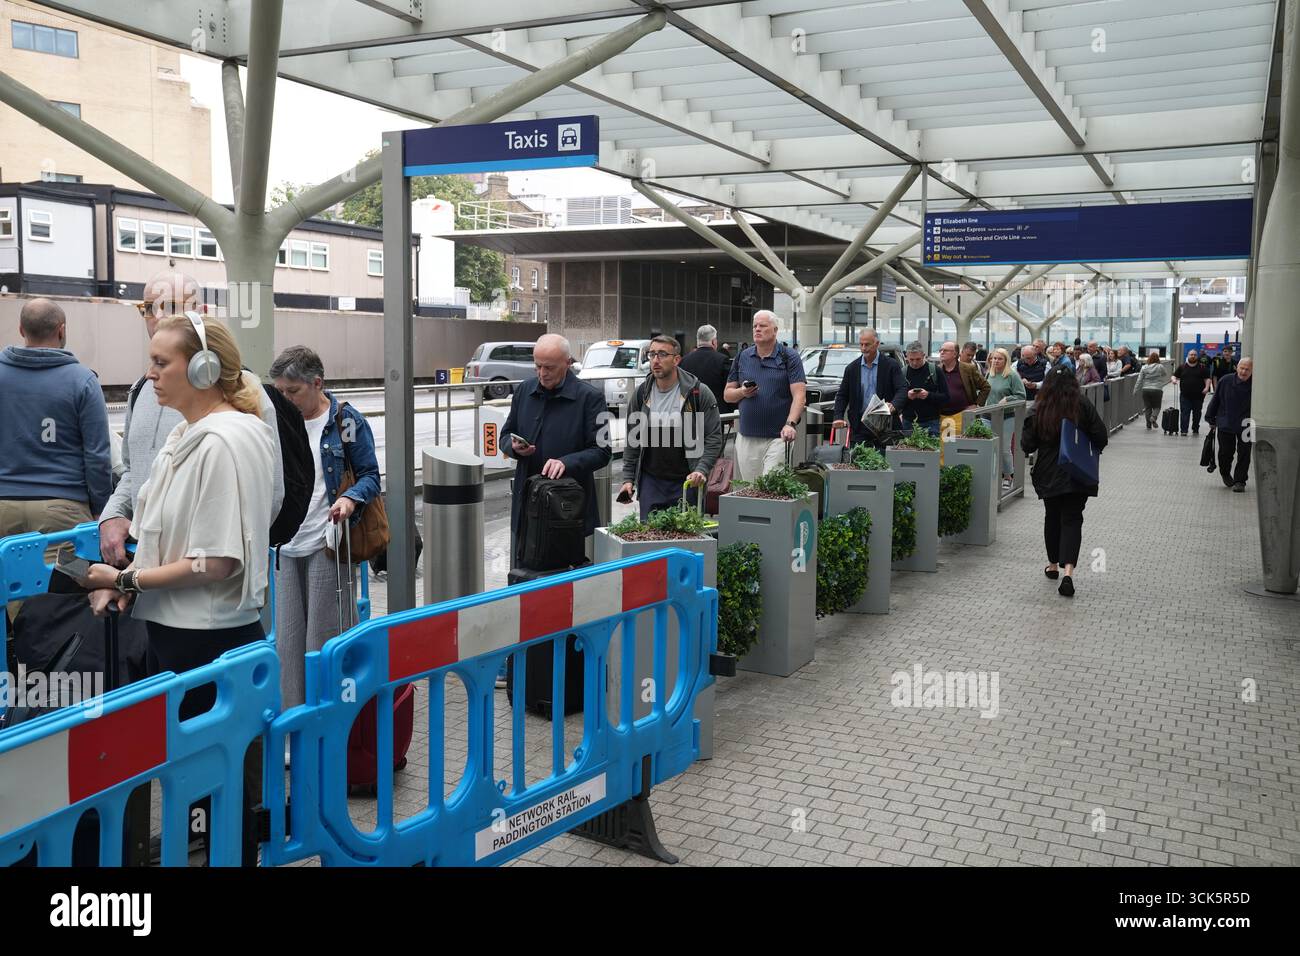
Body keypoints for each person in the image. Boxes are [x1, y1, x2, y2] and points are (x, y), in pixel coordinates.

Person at [81, 313, 276, 865]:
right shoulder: (195, 434)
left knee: (217, 789)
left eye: (161, 362)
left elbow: (214, 562)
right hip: (190, 634)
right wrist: (133, 585)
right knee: (212, 784)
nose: (151, 374)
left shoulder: (219, 441)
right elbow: (174, 538)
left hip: (204, 641)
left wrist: (124, 578)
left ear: (204, 367)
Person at [99, 271, 283, 569]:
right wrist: (113, 514)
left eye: (170, 305)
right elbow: (133, 472)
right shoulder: (142, 390)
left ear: (203, 313)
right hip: (145, 567)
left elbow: (269, 494)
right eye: (149, 307)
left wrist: (198, 562)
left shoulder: (244, 389)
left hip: (211, 582)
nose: (159, 316)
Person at [269, 346, 381, 710]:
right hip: (286, 544)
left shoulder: (344, 422)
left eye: (293, 391)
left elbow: (369, 476)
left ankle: (326, 720)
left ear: (317, 383)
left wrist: (349, 500)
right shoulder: (276, 421)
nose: (285, 399)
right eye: (280, 392)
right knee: (286, 642)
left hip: (327, 541)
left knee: (323, 637)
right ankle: (292, 727)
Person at [0, 298, 112, 560]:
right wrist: (102, 509)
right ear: (61, 329)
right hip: (63, 512)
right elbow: (97, 455)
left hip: (3, 506)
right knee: (64, 593)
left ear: (21, 330)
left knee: (8, 595)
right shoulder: (82, 380)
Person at [502, 333, 611, 557]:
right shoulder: (524, 391)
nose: (542, 373)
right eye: (537, 366)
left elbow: (602, 451)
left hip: (568, 513)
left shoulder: (590, 398)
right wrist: (514, 447)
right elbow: (505, 435)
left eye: (549, 367)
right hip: (527, 510)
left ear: (567, 363)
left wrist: (567, 462)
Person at [1020, 367, 1108, 598]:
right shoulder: (1081, 404)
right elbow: (1101, 436)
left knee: (1052, 517)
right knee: (1072, 519)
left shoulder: (1038, 407)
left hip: (1049, 472)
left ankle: (1052, 565)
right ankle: (1068, 573)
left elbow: (1027, 445)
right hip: (1077, 472)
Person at [619, 335, 723, 519]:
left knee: (686, 540)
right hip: (651, 480)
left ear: (676, 359)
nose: (655, 360)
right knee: (651, 540)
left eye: (662, 354)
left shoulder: (697, 392)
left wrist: (701, 469)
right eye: (651, 355)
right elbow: (632, 440)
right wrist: (628, 479)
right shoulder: (642, 393)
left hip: (687, 480)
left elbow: (713, 437)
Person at [724, 311, 807, 479]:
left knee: (770, 487)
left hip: (778, 437)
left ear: (775, 330)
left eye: (762, 326)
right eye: (755, 326)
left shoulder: (789, 356)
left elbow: (799, 395)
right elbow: (727, 395)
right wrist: (742, 392)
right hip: (747, 436)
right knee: (752, 489)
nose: (757, 329)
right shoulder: (742, 356)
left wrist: (790, 424)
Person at [831, 328, 909, 449]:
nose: (863, 348)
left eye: (867, 344)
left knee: (887, 462)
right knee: (860, 462)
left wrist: (894, 404)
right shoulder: (852, 368)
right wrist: (838, 417)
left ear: (877, 344)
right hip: (860, 426)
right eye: (861, 344)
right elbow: (842, 395)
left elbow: (902, 388)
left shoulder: (891, 365)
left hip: (886, 425)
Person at [1205, 358, 1253, 492]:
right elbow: (1216, 399)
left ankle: (1240, 481)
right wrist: (1210, 417)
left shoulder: (1256, 384)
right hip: (1226, 421)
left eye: (1247, 369)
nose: (1243, 371)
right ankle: (1225, 473)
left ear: (1252, 370)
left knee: (1244, 453)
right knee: (1225, 452)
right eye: (1241, 368)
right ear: (1236, 368)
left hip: (1247, 423)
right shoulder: (1225, 380)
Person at [985, 347, 1027, 490]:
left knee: (1004, 448)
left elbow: (1022, 396)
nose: (995, 361)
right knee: (988, 446)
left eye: (999, 358)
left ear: (1006, 360)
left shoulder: (1012, 376)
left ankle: (1008, 475)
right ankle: (991, 476)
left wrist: (1008, 399)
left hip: (1006, 416)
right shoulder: (988, 374)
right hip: (987, 415)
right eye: (994, 358)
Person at [937, 340, 991, 434]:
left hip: (962, 415)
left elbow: (985, 387)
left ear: (955, 354)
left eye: (946, 350)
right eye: (941, 350)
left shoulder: (968, 369)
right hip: (942, 416)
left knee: (961, 446)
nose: (942, 352)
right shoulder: (937, 370)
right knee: (946, 446)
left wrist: (977, 405)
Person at [680, 324, 733, 414]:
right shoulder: (723, 360)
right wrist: (731, 412)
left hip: (690, 411)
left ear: (698, 341)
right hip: (715, 412)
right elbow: (728, 387)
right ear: (713, 342)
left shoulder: (684, 360)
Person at [898, 340, 949, 435]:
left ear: (924, 355)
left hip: (931, 422)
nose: (914, 363)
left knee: (932, 449)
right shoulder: (903, 372)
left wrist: (928, 395)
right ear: (906, 357)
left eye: (918, 359)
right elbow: (896, 399)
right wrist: (907, 396)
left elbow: (946, 397)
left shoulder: (935, 370)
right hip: (908, 422)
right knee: (908, 449)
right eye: (911, 359)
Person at [1171, 348, 1212, 436]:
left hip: (1199, 396)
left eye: (1194, 355)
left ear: (1197, 356)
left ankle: (1195, 428)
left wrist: (1206, 388)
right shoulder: (1182, 367)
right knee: (1184, 413)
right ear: (1188, 356)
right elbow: (1174, 376)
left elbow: (1207, 379)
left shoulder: (1202, 367)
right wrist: (1174, 380)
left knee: (1197, 414)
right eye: (1191, 354)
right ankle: (1184, 430)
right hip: (1185, 395)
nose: (1193, 356)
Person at [1135, 349, 1173, 429]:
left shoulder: (1144, 367)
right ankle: (1153, 417)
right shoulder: (1160, 366)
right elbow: (1165, 374)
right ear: (1158, 359)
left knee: (1148, 407)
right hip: (1157, 389)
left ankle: (1148, 425)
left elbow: (1139, 379)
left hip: (1146, 389)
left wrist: (1135, 389)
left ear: (1149, 359)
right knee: (1157, 406)